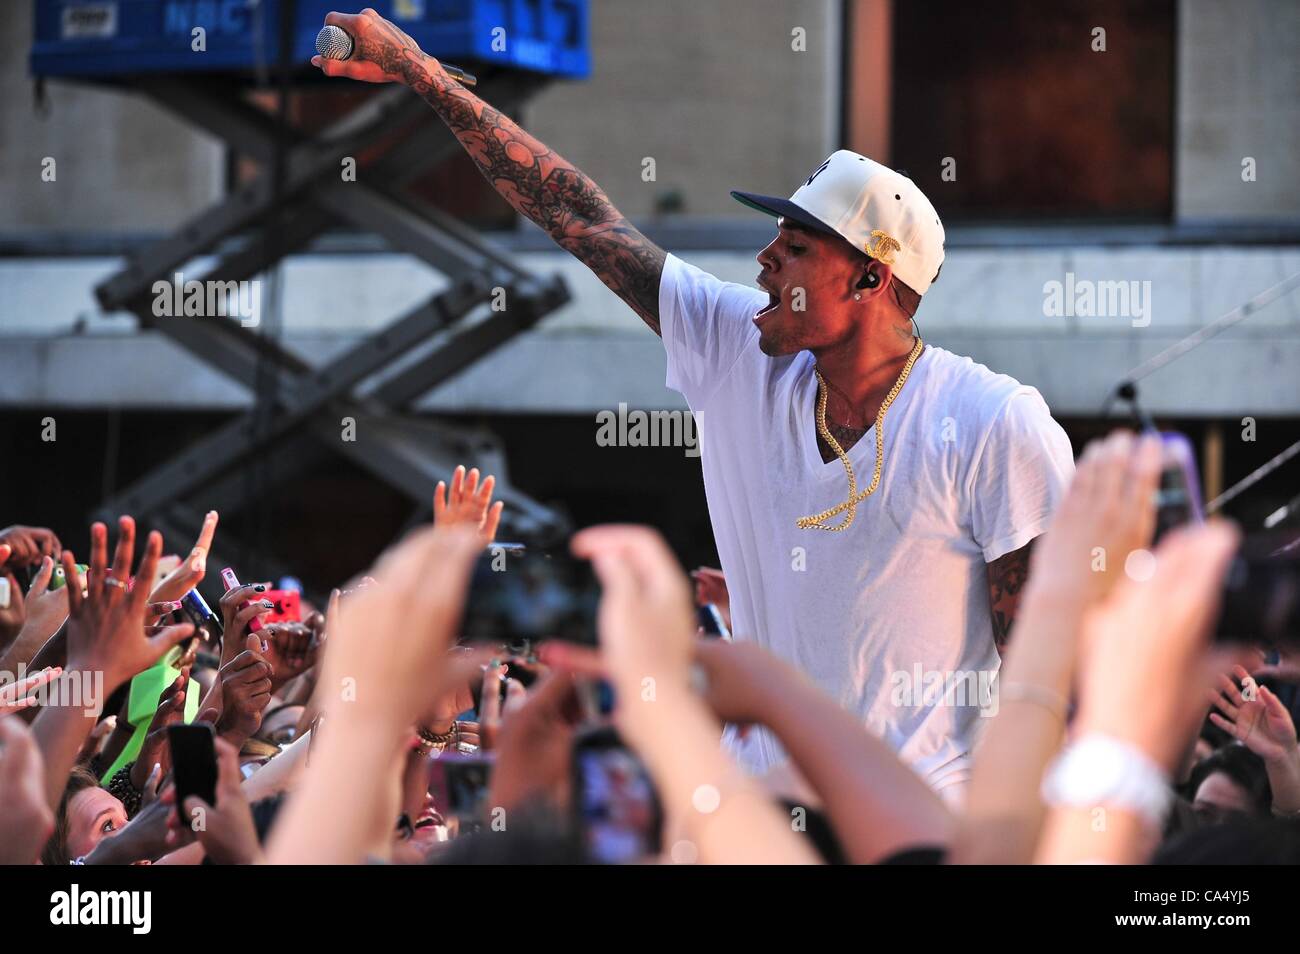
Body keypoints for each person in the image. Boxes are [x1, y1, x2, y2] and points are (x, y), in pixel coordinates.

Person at [309, 8, 1074, 803]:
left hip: (917, 827)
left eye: (797, 246)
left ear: (870, 280)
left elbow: (1043, 676)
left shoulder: (992, 423)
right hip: (756, 824)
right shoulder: (737, 348)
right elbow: (580, 217)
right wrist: (426, 75)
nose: (765, 258)